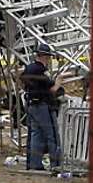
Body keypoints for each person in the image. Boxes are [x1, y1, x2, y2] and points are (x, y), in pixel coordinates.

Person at [21, 43, 62, 172]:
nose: (49, 60)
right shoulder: (41, 71)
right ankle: (55, 164)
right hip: (41, 105)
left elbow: (23, 83)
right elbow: (53, 89)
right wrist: (59, 81)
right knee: (51, 135)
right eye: (48, 57)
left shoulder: (29, 68)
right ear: (44, 57)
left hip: (31, 104)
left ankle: (34, 164)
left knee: (35, 134)